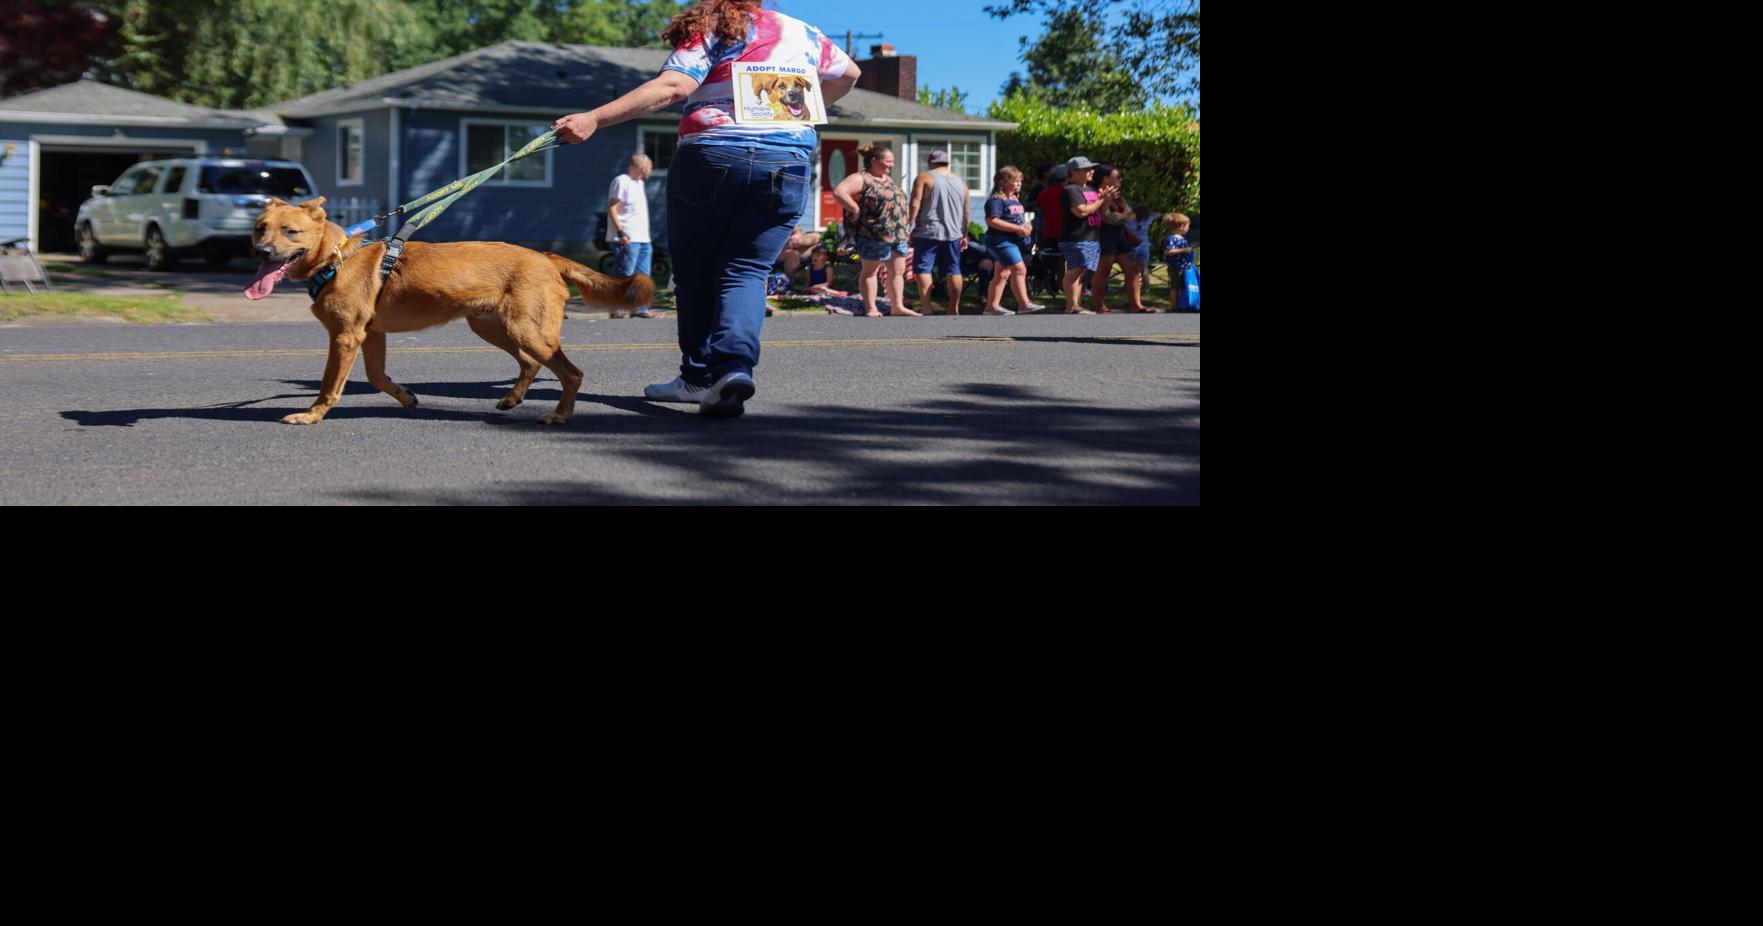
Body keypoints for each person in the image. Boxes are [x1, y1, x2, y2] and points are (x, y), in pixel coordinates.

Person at [553, 0, 861, 416]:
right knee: (747, 269)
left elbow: (674, 86)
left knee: (696, 270)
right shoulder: (801, 32)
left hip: (714, 156)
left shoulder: (716, 25)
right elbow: (849, 73)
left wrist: (594, 118)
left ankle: (698, 376)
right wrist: (795, 115)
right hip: (786, 161)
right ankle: (734, 369)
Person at [831, 144, 920, 317]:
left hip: (897, 235)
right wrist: (855, 209)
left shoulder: (887, 179)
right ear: (874, 160)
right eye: (888, 161)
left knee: (897, 272)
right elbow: (839, 192)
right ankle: (871, 308)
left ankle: (897, 307)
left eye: (892, 162)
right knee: (870, 272)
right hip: (873, 234)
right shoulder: (861, 178)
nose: (891, 165)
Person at [907, 148, 969, 316]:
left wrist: (907, 225)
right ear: (947, 163)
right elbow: (966, 211)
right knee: (954, 269)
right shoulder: (961, 182)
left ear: (930, 162)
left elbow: (914, 203)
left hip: (928, 232)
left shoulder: (924, 177)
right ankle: (953, 308)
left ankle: (927, 308)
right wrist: (964, 234)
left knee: (923, 269)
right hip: (954, 233)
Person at [981, 165, 1043, 316]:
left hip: (1013, 240)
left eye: (1019, 181)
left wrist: (1025, 226)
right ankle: (1024, 304)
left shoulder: (1015, 199)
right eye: (1014, 181)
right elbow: (992, 220)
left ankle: (991, 307)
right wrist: (1017, 229)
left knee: (1002, 273)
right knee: (1019, 269)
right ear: (1002, 182)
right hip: (1000, 240)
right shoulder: (996, 200)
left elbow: (1016, 219)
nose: (1018, 184)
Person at [1059, 156, 1116, 314]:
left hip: (1091, 237)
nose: (1091, 172)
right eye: (1086, 169)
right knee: (1076, 270)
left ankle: (1076, 305)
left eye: (1091, 169)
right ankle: (1072, 306)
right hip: (1076, 238)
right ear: (1074, 172)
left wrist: (1106, 200)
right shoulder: (1070, 190)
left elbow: (1100, 212)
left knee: (1081, 271)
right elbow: (1081, 211)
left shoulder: (1090, 190)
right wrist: (1100, 200)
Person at [606, 153, 658, 318]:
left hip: (643, 238)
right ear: (643, 167)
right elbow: (612, 208)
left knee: (643, 276)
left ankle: (639, 308)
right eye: (650, 167)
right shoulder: (621, 181)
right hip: (627, 237)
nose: (651, 171)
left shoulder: (639, 183)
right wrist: (620, 232)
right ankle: (617, 307)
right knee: (624, 274)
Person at [1089, 164, 1142, 314]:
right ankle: (1100, 305)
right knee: (1104, 269)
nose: (1120, 179)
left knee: (1133, 268)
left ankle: (1136, 305)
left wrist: (1123, 216)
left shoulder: (1118, 196)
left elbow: (1132, 215)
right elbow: (1104, 218)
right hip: (1103, 235)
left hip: (1119, 234)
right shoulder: (1094, 194)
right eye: (1117, 176)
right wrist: (1108, 204)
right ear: (1105, 178)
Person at [1164, 212, 1198, 313]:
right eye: (1188, 226)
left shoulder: (1183, 239)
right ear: (1182, 226)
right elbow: (1168, 251)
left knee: (1183, 286)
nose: (1188, 228)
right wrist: (1184, 250)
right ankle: (1174, 306)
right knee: (1175, 287)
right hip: (1176, 267)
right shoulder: (1172, 239)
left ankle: (1182, 304)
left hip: (1185, 267)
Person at [1124, 204, 1156, 313]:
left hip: (1133, 246)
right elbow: (1158, 214)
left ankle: (1129, 288)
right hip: (1144, 246)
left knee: (1131, 270)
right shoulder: (1148, 220)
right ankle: (1146, 289)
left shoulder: (1128, 221)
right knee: (1144, 270)